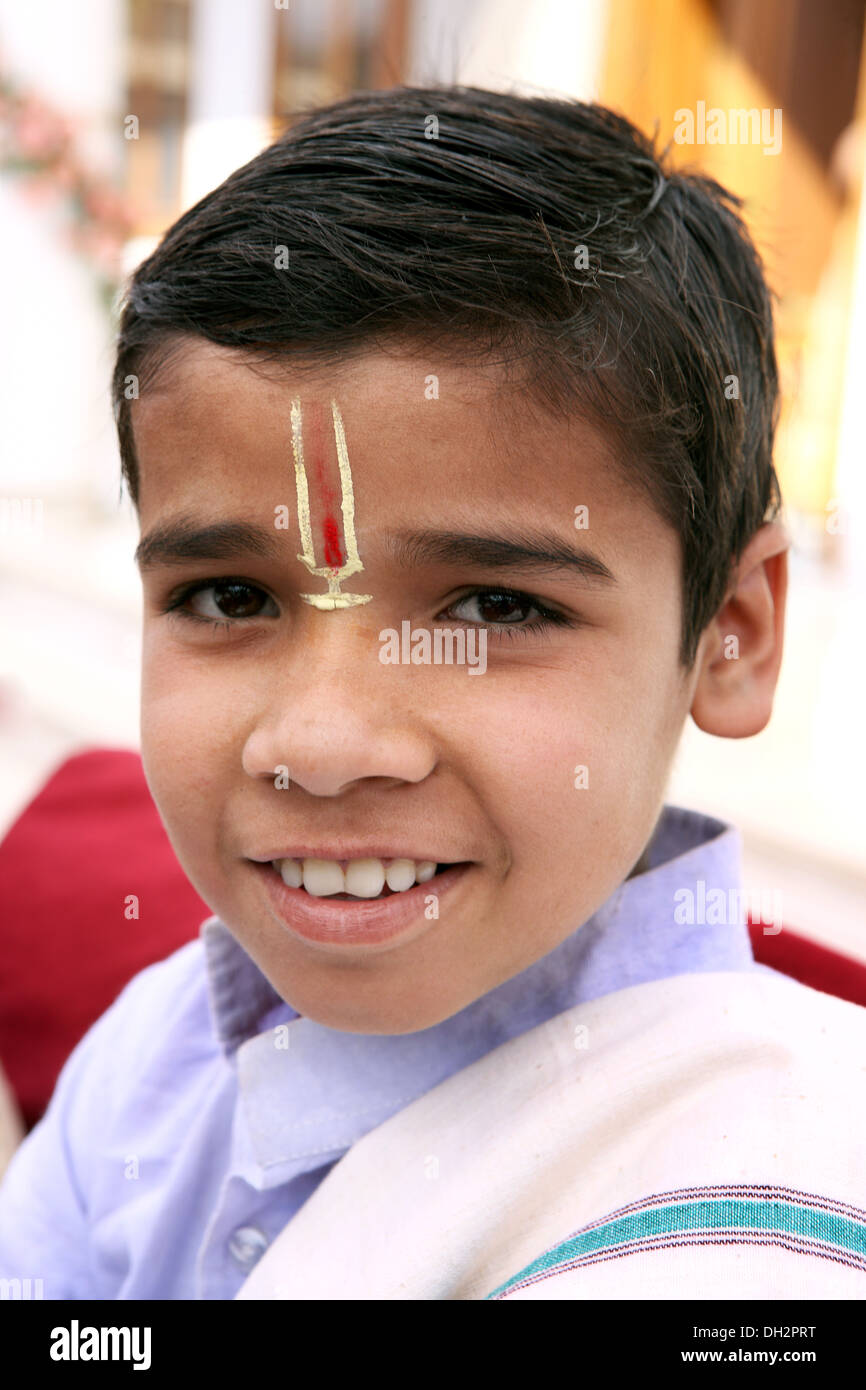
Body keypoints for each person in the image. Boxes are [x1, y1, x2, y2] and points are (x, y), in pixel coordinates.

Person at [1, 86, 863, 1301]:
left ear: (728, 630)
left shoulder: (747, 1213)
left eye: (492, 608)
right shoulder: (161, 1045)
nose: (322, 742)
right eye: (230, 598)